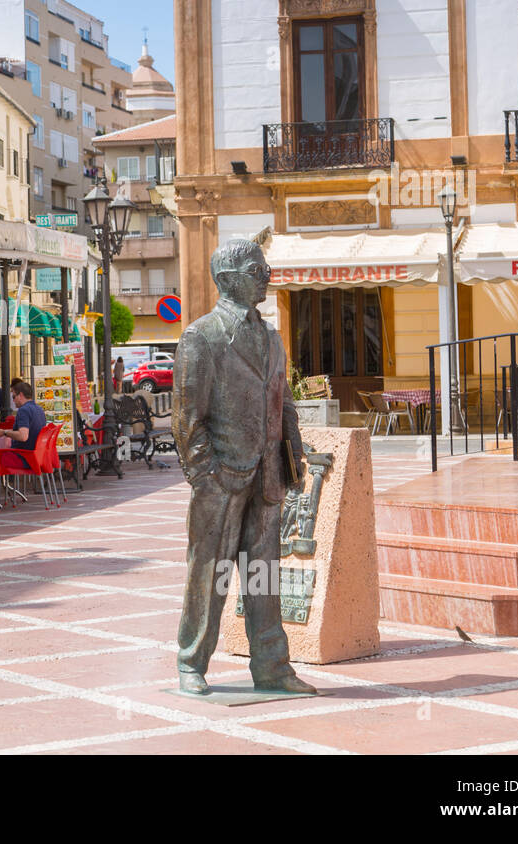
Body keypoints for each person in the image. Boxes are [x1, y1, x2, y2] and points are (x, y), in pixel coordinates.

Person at [172, 238, 313, 697]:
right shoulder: (202, 336)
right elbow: (186, 419)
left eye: (265, 267)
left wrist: (292, 454)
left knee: (264, 574)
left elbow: (283, 400)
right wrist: (204, 474)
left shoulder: (272, 337)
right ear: (228, 280)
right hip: (221, 477)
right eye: (258, 269)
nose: (267, 275)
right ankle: (192, 662)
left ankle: (272, 666)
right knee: (208, 573)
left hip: (267, 476)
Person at [0, 381, 46, 512]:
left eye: (13, 396)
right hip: (35, 456)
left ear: (21, 395)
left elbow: (23, 436)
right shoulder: (39, 409)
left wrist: (4, 432)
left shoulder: (23, 411)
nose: (12, 400)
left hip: (23, 456)